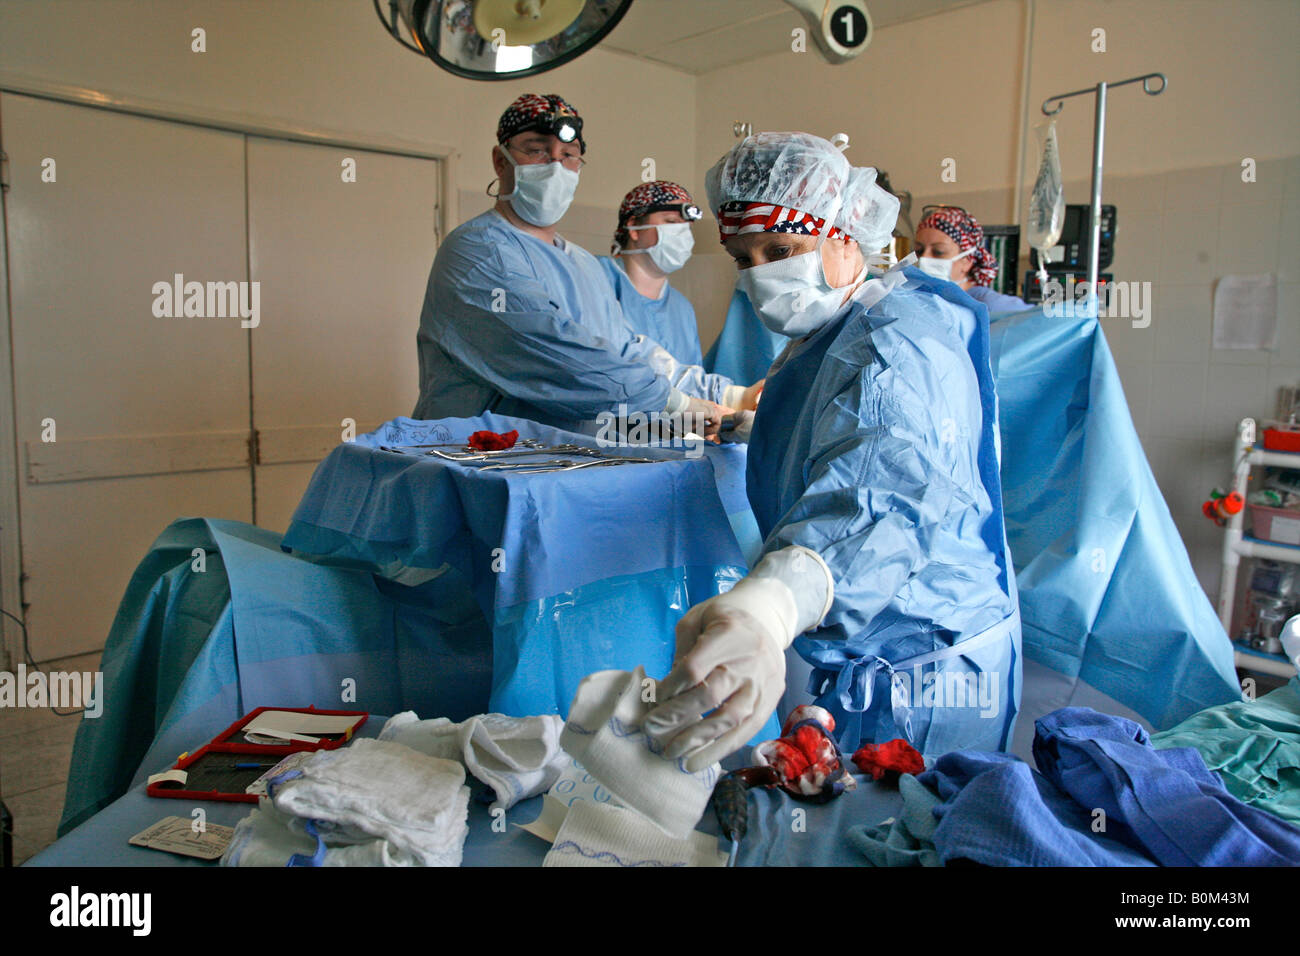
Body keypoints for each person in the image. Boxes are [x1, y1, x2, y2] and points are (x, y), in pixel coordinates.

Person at [644, 132, 1021, 769]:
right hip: (878, 644)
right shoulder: (843, 320)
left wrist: (771, 605)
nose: (761, 273)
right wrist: (750, 428)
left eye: (781, 249)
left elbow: (885, 496)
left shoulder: (894, 345)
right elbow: (839, 430)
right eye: (743, 257)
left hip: (923, 667)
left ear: (846, 232)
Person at [413, 94, 761, 434]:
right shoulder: (477, 253)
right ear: (500, 160)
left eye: (568, 155)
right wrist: (677, 405)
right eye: (536, 150)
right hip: (477, 461)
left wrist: (731, 396)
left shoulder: (583, 265)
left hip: (560, 461)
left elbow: (626, 351)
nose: (554, 166)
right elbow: (560, 359)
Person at [598, 181, 708, 367]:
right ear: (633, 228)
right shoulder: (595, 280)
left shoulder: (682, 309)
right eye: (672, 222)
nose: (682, 234)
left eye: (687, 227)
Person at [913, 205, 1031, 313]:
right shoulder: (922, 300)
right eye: (919, 251)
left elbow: (1043, 324)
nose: (924, 258)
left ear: (967, 260)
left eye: (939, 252)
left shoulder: (989, 304)